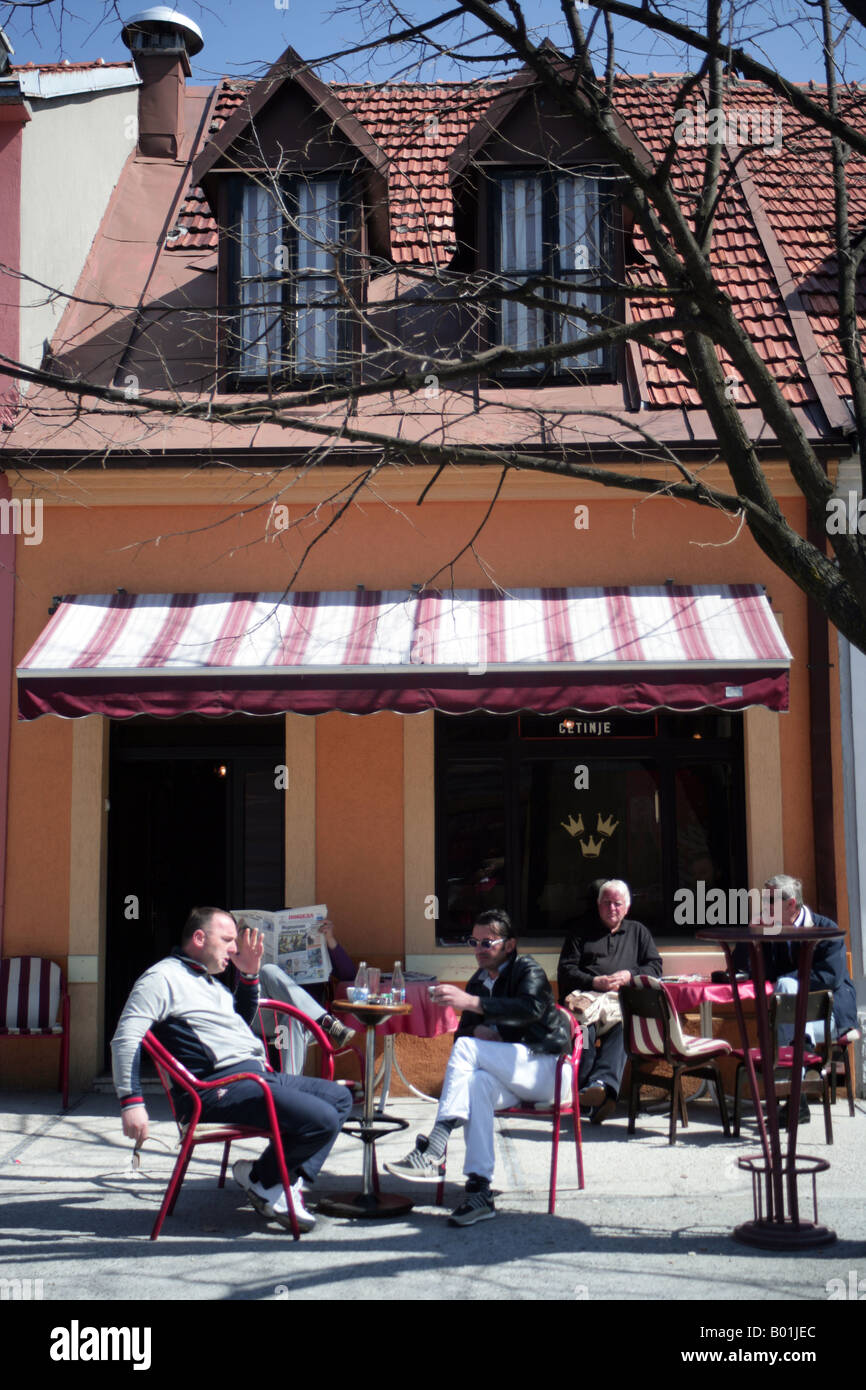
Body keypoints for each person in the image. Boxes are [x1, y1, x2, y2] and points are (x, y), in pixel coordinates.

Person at [111, 906, 353, 1233]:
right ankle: (271, 1182)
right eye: (226, 940)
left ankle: (270, 1179)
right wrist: (131, 1102)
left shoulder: (208, 981)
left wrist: (251, 975)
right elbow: (125, 1038)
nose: (234, 948)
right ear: (199, 938)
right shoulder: (162, 978)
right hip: (217, 1088)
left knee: (339, 1098)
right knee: (320, 1119)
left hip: (254, 1077)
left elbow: (240, 1021)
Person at [384, 909, 572, 1227]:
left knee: (470, 1049)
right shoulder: (478, 982)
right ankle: (480, 1188)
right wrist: (479, 1027)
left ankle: (435, 1146)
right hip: (508, 1075)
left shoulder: (528, 970)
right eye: (475, 941)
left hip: (547, 1069)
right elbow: (464, 1037)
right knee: (476, 1086)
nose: (479, 949)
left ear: (509, 945)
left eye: (488, 942)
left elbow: (532, 1009)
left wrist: (477, 1010)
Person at [743, 874, 858, 1124]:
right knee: (784, 1023)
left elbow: (829, 977)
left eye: (769, 901)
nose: (764, 906)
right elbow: (751, 967)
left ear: (791, 904)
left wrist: (788, 981)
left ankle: (793, 1098)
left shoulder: (825, 929)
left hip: (830, 1016)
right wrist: (752, 936)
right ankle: (798, 1098)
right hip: (792, 1021)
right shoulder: (771, 930)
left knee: (783, 997)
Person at [557, 878, 663, 1124]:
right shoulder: (580, 932)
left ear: (627, 907)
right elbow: (565, 970)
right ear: (598, 904)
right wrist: (595, 983)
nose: (612, 908)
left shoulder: (638, 932)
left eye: (617, 903)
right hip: (585, 1002)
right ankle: (589, 1093)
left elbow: (655, 966)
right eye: (607, 903)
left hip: (618, 1002)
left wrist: (629, 975)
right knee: (583, 1036)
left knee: (624, 1028)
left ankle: (601, 1086)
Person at [254, 918, 356, 1075]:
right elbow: (244, 989)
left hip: (303, 1023)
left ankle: (290, 1089)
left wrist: (329, 939)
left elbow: (349, 974)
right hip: (265, 1017)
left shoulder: (321, 947)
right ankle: (325, 1020)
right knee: (268, 970)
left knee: (293, 1017)